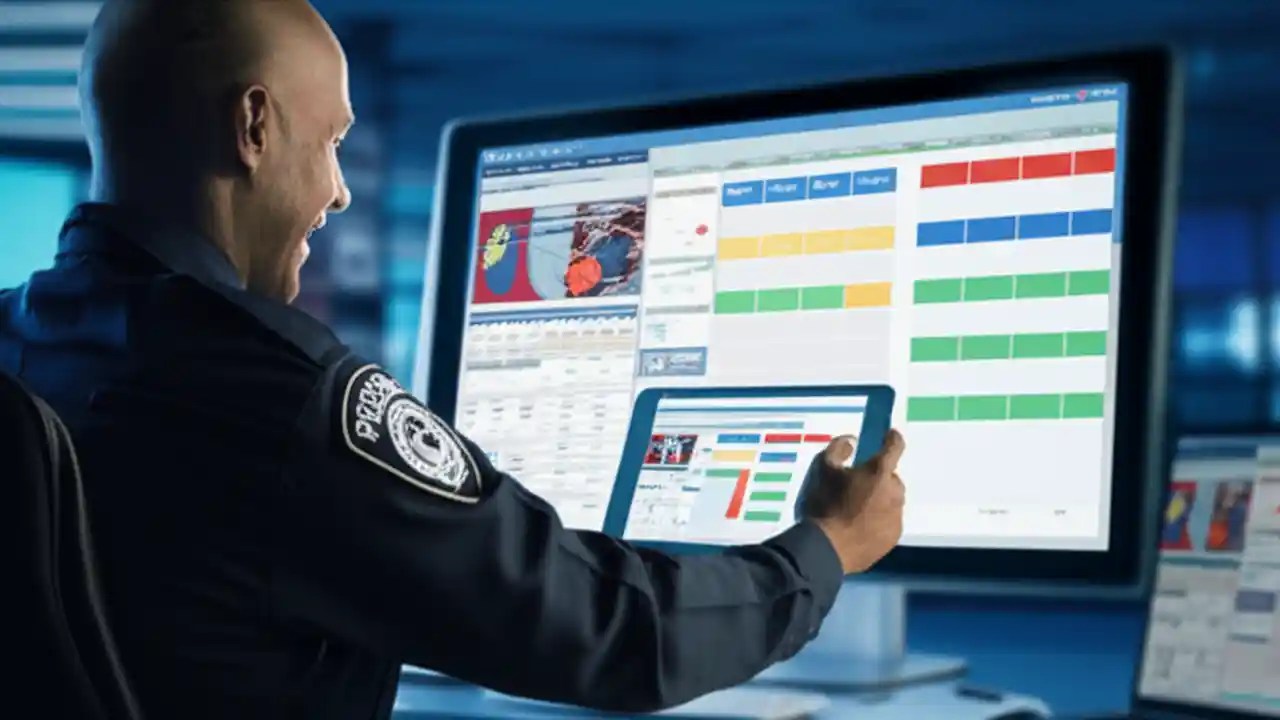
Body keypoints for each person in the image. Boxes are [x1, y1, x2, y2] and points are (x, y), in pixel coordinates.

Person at [0, 1, 908, 718]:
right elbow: (615, 631)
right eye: (332, 142)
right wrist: (820, 550)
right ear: (254, 126)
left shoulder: (14, 343)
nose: (339, 189)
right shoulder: (285, 403)